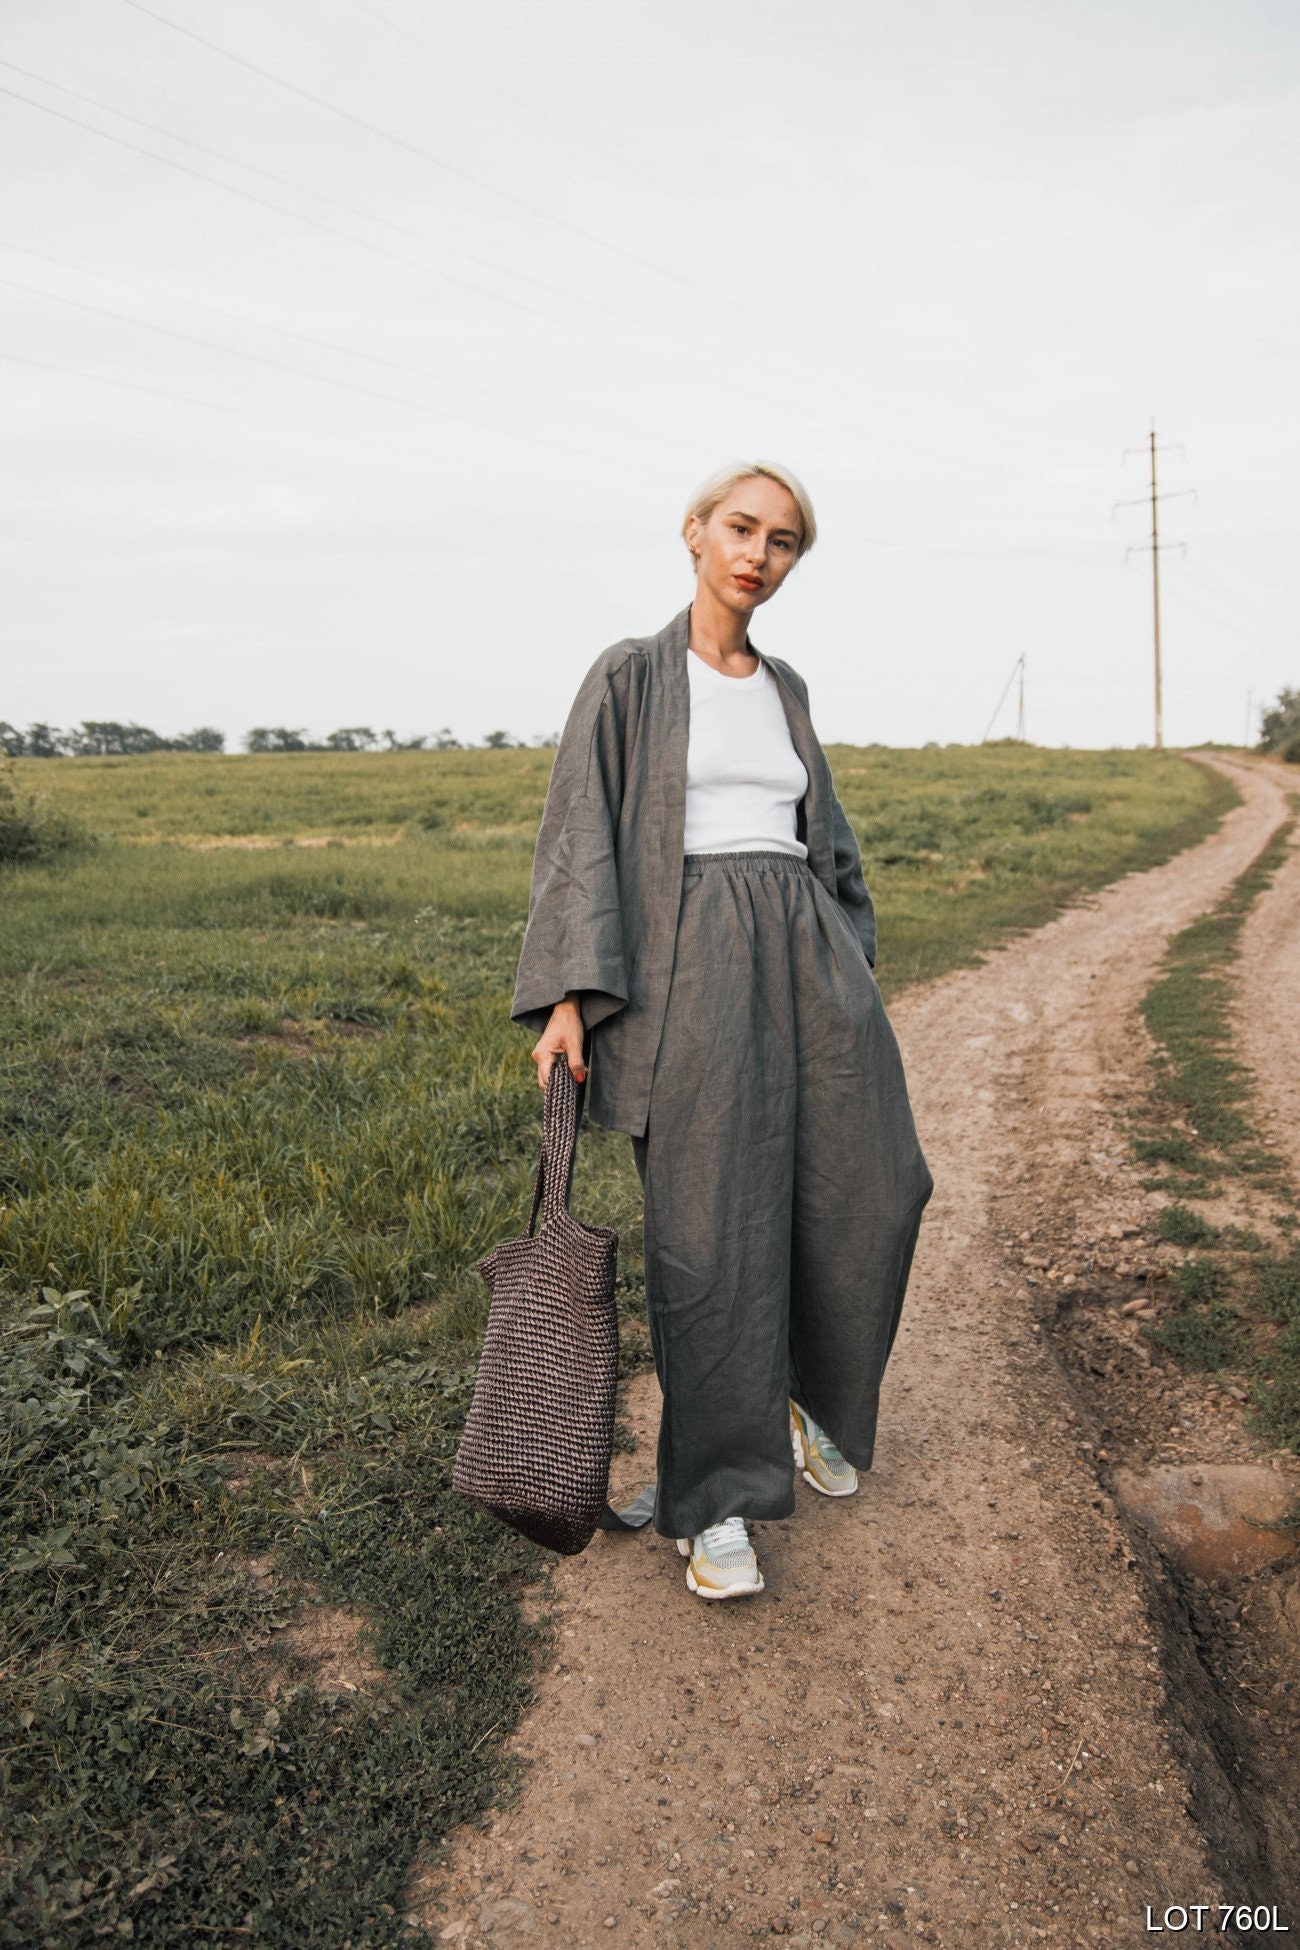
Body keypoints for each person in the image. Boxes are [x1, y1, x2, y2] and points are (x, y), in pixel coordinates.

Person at [512, 461, 932, 1600]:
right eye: (740, 529)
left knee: (878, 1189)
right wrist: (564, 998)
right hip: (690, 961)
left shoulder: (784, 681)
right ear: (694, 533)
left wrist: (847, 952)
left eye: (783, 541)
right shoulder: (631, 673)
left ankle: (814, 1405)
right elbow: (581, 833)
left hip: (808, 956)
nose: (758, 553)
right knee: (712, 1237)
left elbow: (826, 837)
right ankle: (717, 1503)